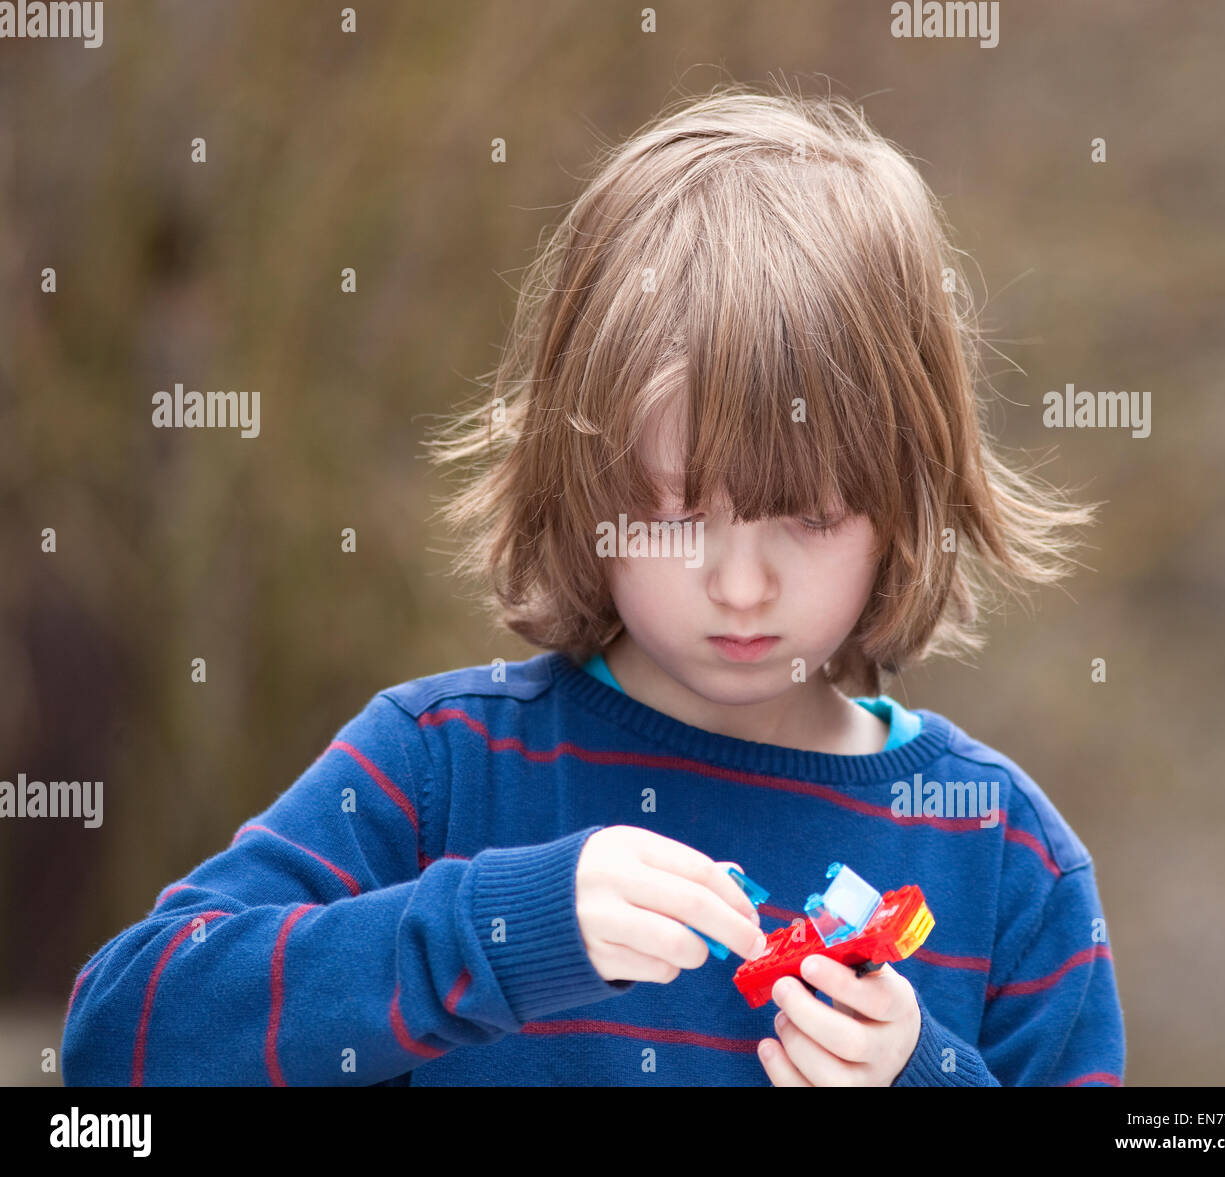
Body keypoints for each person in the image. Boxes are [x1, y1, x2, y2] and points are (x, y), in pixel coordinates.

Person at [62, 83, 1124, 1086]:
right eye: (671, 515)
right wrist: (491, 933)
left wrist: (918, 1072)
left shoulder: (1001, 853)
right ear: (581, 487)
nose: (740, 585)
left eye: (805, 515)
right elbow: (119, 1037)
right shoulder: (442, 770)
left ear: (905, 500)